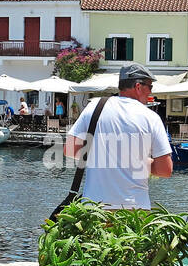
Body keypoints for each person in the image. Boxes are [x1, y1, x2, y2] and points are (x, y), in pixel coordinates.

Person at [63, 63, 172, 209]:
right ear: (138, 87)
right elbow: (165, 169)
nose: (151, 93)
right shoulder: (151, 117)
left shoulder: (95, 107)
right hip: (135, 211)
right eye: (150, 87)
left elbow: (69, 149)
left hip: (95, 210)